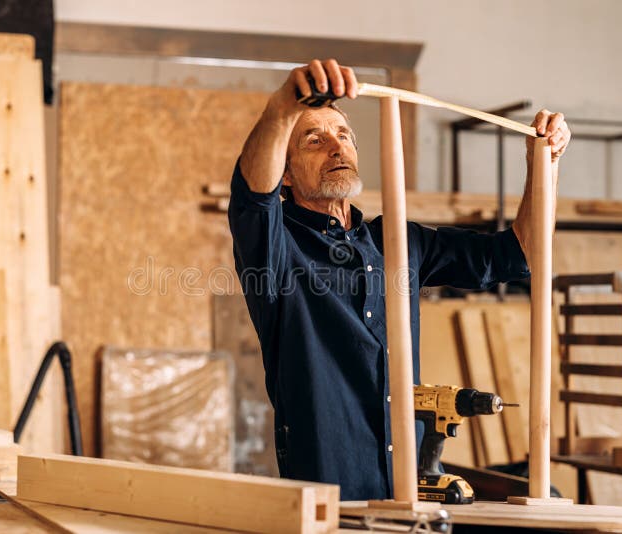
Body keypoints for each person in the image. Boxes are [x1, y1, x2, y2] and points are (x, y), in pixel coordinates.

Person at [227, 58, 571, 500]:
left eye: (344, 136)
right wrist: (282, 109)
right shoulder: (277, 248)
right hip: (333, 497)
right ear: (287, 175)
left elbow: (520, 254)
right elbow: (254, 198)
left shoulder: (396, 241)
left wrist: (545, 163)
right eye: (314, 140)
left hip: (410, 490)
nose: (336, 148)